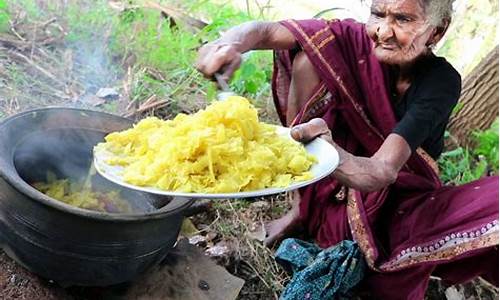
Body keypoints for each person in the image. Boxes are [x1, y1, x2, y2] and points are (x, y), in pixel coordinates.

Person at [196, 0, 499, 298]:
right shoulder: (350, 40)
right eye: (377, 14)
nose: (383, 31)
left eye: (403, 20)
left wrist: (327, 152)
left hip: (396, 196)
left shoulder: (441, 81)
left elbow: (381, 171)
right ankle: (300, 208)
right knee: (311, 57)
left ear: (436, 31)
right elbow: (265, 31)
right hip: (335, 182)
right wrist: (227, 44)